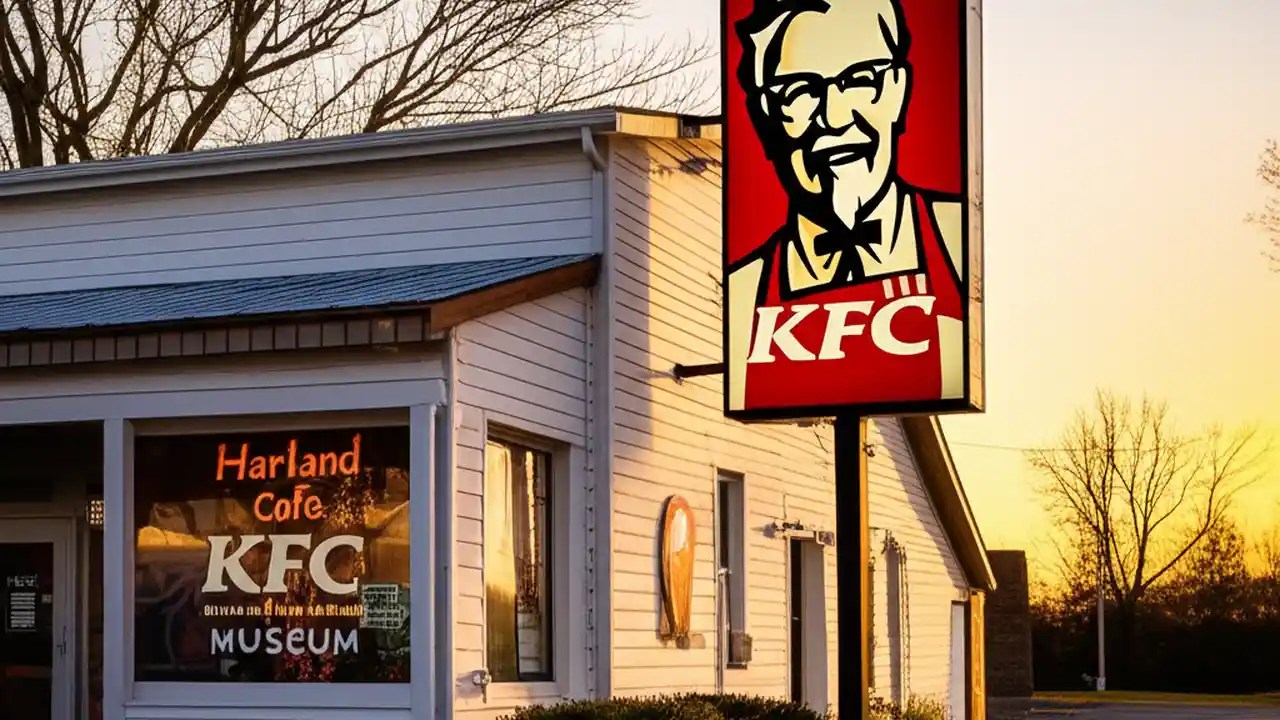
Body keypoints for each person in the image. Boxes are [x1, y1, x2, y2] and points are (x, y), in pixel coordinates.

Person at [726, 0, 967, 415]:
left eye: (859, 80)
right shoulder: (743, 292)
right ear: (767, 118)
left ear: (897, 91)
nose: (835, 119)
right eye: (800, 92)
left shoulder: (957, 246)